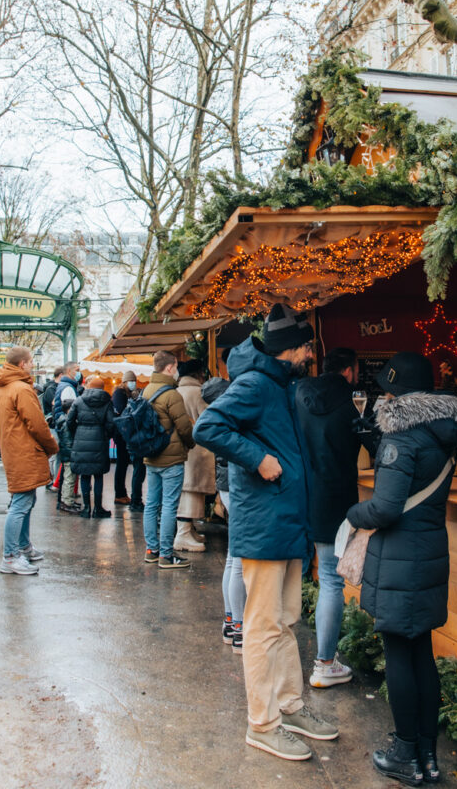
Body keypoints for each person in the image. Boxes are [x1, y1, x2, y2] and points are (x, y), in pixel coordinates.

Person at [193, 304, 338, 763]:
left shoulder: (281, 384)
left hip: (285, 522)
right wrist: (257, 458)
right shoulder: (256, 385)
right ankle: (263, 724)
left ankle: (289, 706)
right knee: (262, 626)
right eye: (307, 347)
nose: (312, 353)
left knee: (285, 620)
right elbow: (207, 426)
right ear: (291, 350)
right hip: (265, 525)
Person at [346, 351, 457, 786]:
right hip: (431, 550)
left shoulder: (402, 439)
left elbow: (385, 508)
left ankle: (403, 752)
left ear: (396, 394)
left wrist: (353, 514)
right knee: (422, 655)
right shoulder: (445, 433)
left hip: (401, 557)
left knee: (400, 652)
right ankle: (427, 757)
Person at [296, 346, 362, 689]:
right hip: (337, 498)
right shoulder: (355, 402)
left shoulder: (299, 394)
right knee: (332, 581)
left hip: (299, 494)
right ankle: (324, 663)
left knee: (290, 571)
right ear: (349, 372)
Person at [0, 346, 58, 576]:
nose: (32, 364)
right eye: (31, 361)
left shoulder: (4, 387)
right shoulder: (21, 389)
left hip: (14, 449)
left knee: (24, 499)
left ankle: (22, 547)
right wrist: (51, 446)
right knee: (21, 502)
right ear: (22, 364)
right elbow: (37, 424)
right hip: (24, 451)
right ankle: (10, 556)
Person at [201, 350, 245, 654]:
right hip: (235, 485)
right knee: (239, 557)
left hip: (225, 485)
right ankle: (239, 626)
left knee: (233, 556)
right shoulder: (229, 417)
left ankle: (231, 621)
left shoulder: (217, 416)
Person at [142, 351, 194, 570]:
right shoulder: (172, 395)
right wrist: (191, 443)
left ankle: (152, 550)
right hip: (171, 459)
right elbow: (184, 427)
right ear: (170, 368)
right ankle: (166, 554)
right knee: (170, 506)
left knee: (151, 505)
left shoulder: (147, 390)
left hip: (151, 456)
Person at [174, 358, 215, 554]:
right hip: (197, 450)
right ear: (198, 374)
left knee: (187, 491)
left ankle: (188, 531)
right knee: (191, 492)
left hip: (181, 450)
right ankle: (183, 534)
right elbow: (207, 421)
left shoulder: (177, 392)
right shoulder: (198, 393)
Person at [67, 376, 116, 519]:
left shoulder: (79, 400)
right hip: (99, 439)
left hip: (81, 439)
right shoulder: (107, 402)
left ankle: (86, 508)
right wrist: (106, 435)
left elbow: (69, 421)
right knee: (98, 475)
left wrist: (77, 432)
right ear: (102, 387)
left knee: (84, 475)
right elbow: (111, 423)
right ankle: (98, 508)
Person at [112, 370, 144, 510]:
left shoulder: (130, 393)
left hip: (127, 434)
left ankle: (123, 494)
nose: (133, 383)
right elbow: (122, 411)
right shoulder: (119, 393)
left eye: (134, 381)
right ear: (125, 382)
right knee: (122, 463)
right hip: (121, 434)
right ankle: (120, 494)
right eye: (131, 381)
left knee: (124, 463)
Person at [55, 398, 79, 513]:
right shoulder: (67, 422)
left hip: (66, 453)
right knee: (69, 478)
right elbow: (67, 440)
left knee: (68, 478)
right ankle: (67, 502)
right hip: (69, 453)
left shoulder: (62, 420)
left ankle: (67, 500)